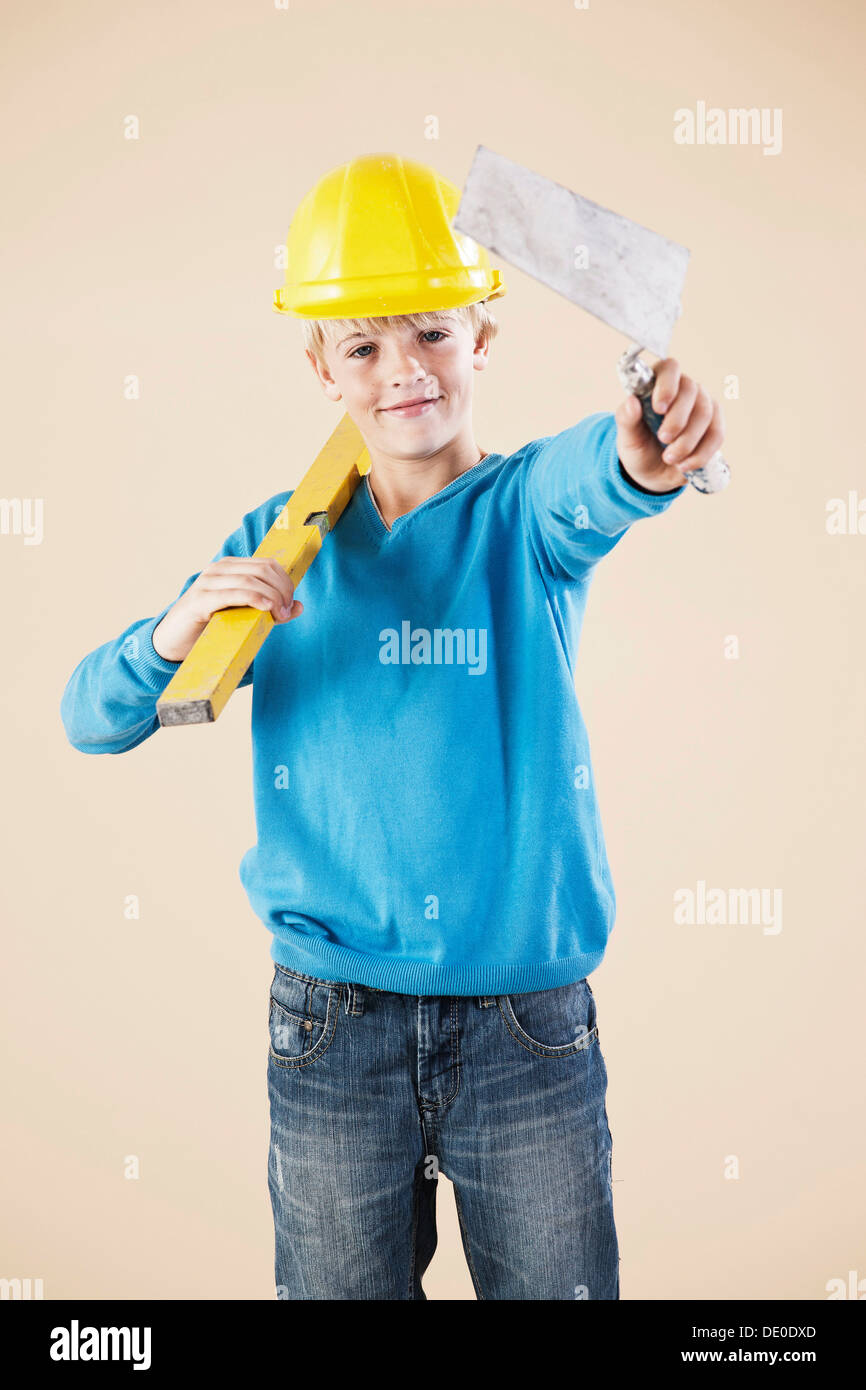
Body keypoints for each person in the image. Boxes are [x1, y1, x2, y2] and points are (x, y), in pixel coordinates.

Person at [60, 152, 725, 1300]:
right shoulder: (282, 543)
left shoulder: (523, 518)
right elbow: (90, 717)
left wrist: (642, 449)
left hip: (527, 1030)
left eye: (428, 332)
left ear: (482, 337)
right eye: (362, 346)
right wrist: (171, 631)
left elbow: (599, 474)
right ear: (321, 366)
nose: (402, 370)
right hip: (330, 1030)